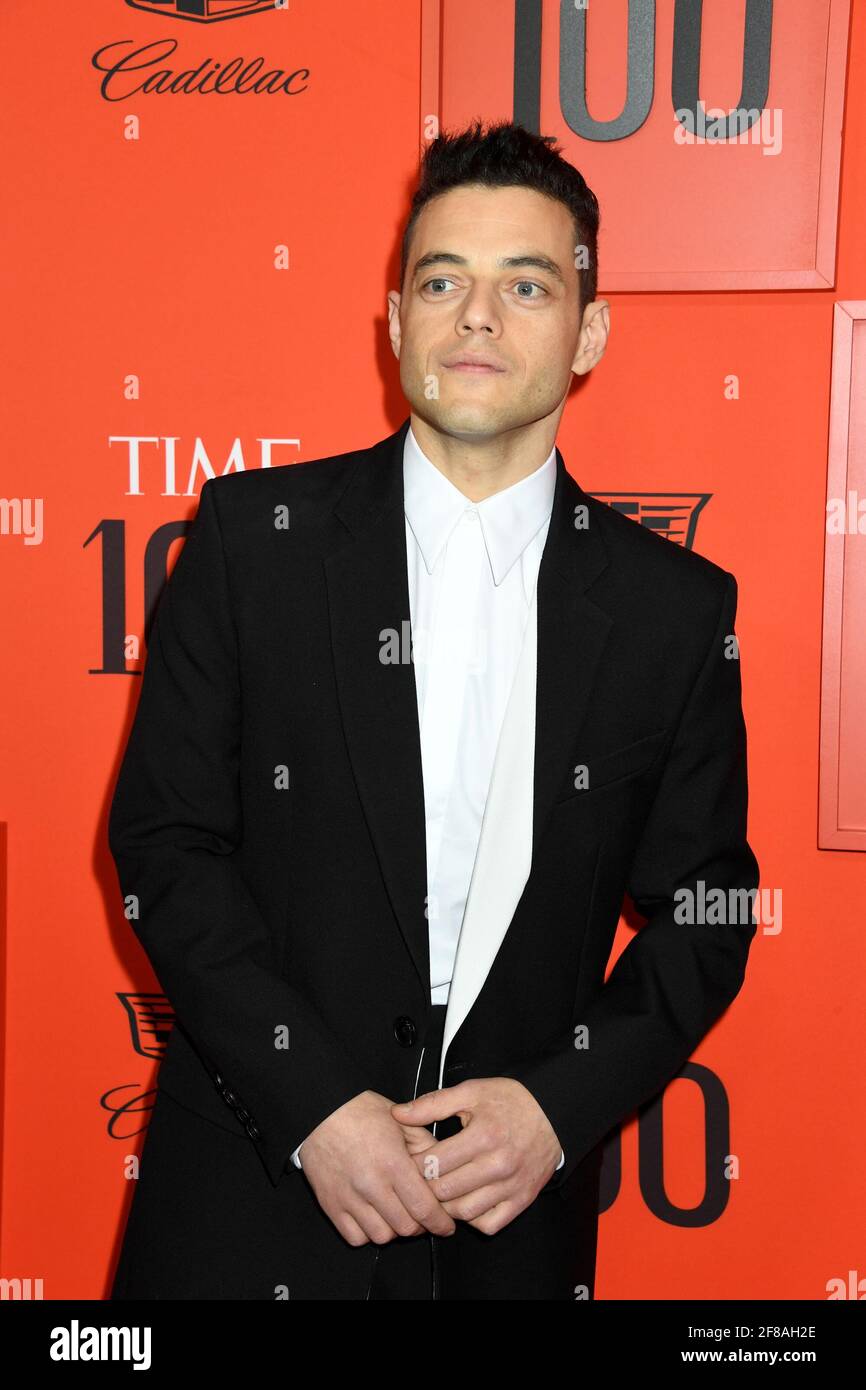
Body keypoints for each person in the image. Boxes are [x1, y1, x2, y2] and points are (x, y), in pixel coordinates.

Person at [108, 120, 759, 1301]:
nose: (475, 315)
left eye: (525, 284)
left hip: (509, 1230)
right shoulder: (254, 544)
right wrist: (313, 1102)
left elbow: (706, 911)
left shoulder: (673, 611)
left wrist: (556, 1107)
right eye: (441, 279)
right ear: (395, 319)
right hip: (251, 1197)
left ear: (588, 331)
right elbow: (165, 841)